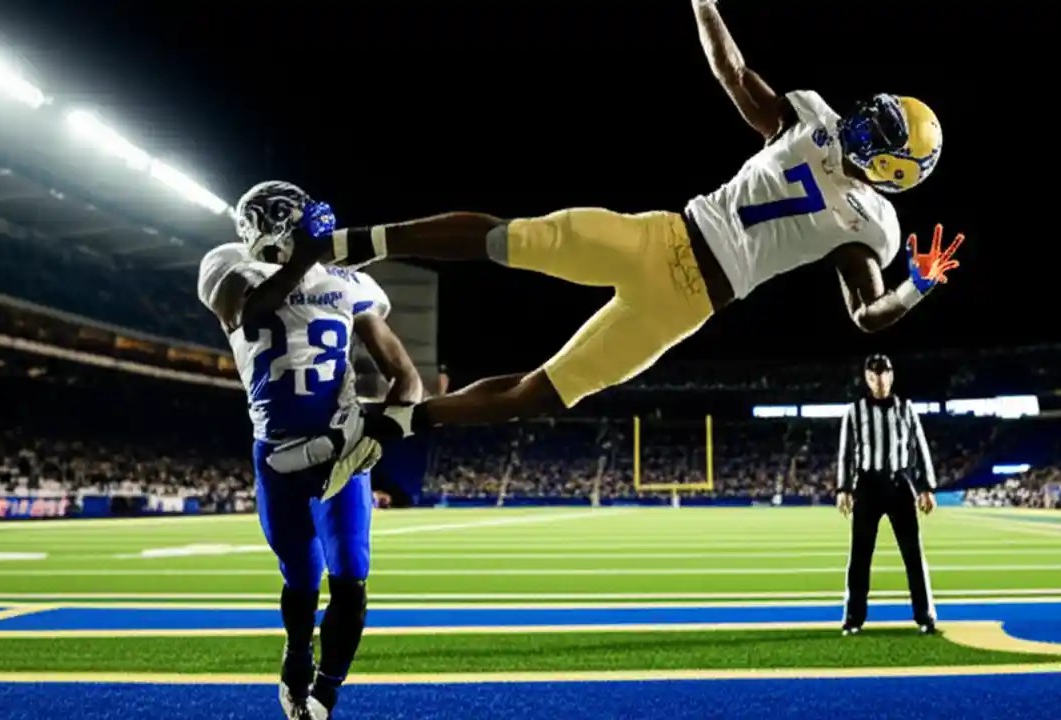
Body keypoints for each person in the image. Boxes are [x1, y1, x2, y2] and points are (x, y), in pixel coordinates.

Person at [270, 0, 962, 451]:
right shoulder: (808, 117)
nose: (863, 123)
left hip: (685, 306)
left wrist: (916, 289)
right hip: (660, 237)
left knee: (538, 392)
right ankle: (349, 245)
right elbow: (732, 70)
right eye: (874, 113)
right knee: (506, 237)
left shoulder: (873, 222)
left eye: (880, 131)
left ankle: (396, 422)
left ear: (899, 170)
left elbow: (867, 315)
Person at [197, 181, 425, 720]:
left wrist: (381, 433)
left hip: (339, 454)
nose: (282, 227)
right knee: (300, 581)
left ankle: (326, 693)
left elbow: (407, 377)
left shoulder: (349, 283)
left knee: (351, 578)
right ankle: (297, 651)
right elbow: (253, 313)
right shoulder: (228, 267)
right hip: (277, 456)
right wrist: (306, 257)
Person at [836, 354, 938, 635]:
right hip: (867, 486)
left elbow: (919, 447)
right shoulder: (854, 411)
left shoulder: (906, 408)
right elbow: (846, 453)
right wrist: (844, 488)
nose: (879, 379)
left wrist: (926, 487)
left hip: (899, 484)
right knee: (860, 555)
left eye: (883, 374)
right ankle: (853, 618)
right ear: (866, 378)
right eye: (873, 375)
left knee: (913, 553)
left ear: (891, 376)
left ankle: (925, 615)